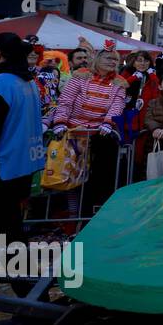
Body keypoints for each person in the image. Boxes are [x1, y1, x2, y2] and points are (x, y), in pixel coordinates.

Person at [0, 32, 46, 246]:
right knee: (11, 225)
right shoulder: (27, 82)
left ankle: (2, 275)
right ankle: (17, 275)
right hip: (22, 166)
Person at [51, 47, 128, 217]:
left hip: (99, 135)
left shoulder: (119, 83)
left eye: (115, 59)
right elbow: (65, 101)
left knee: (96, 178)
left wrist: (108, 123)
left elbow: (117, 106)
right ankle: (73, 216)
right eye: (108, 58)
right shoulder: (80, 76)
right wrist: (60, 122)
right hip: (74, 132)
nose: (112, 62)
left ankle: (90, 215)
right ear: (98, 59)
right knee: (71, 176)